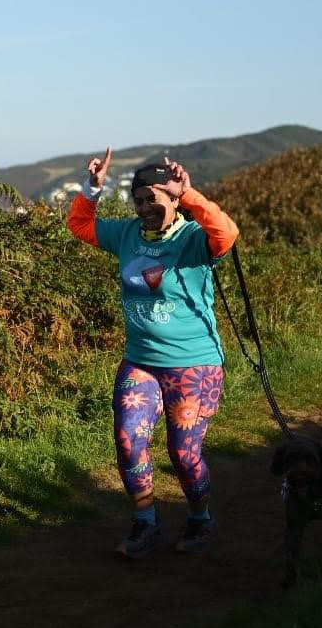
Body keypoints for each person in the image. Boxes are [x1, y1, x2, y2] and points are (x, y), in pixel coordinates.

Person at [67, 148, 240, 558]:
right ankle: (145, 522)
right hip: (141, 361)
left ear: (173, 199)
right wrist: (93, 188)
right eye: (139, 200)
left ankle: (200, 518)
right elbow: (80, 225)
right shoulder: (127, 235)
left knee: (183, 454)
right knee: (129, 441)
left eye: (153, 199)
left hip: (194, 364)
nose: (145, 208)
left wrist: (190, 193)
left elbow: (227, 234)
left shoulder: (193, 238)